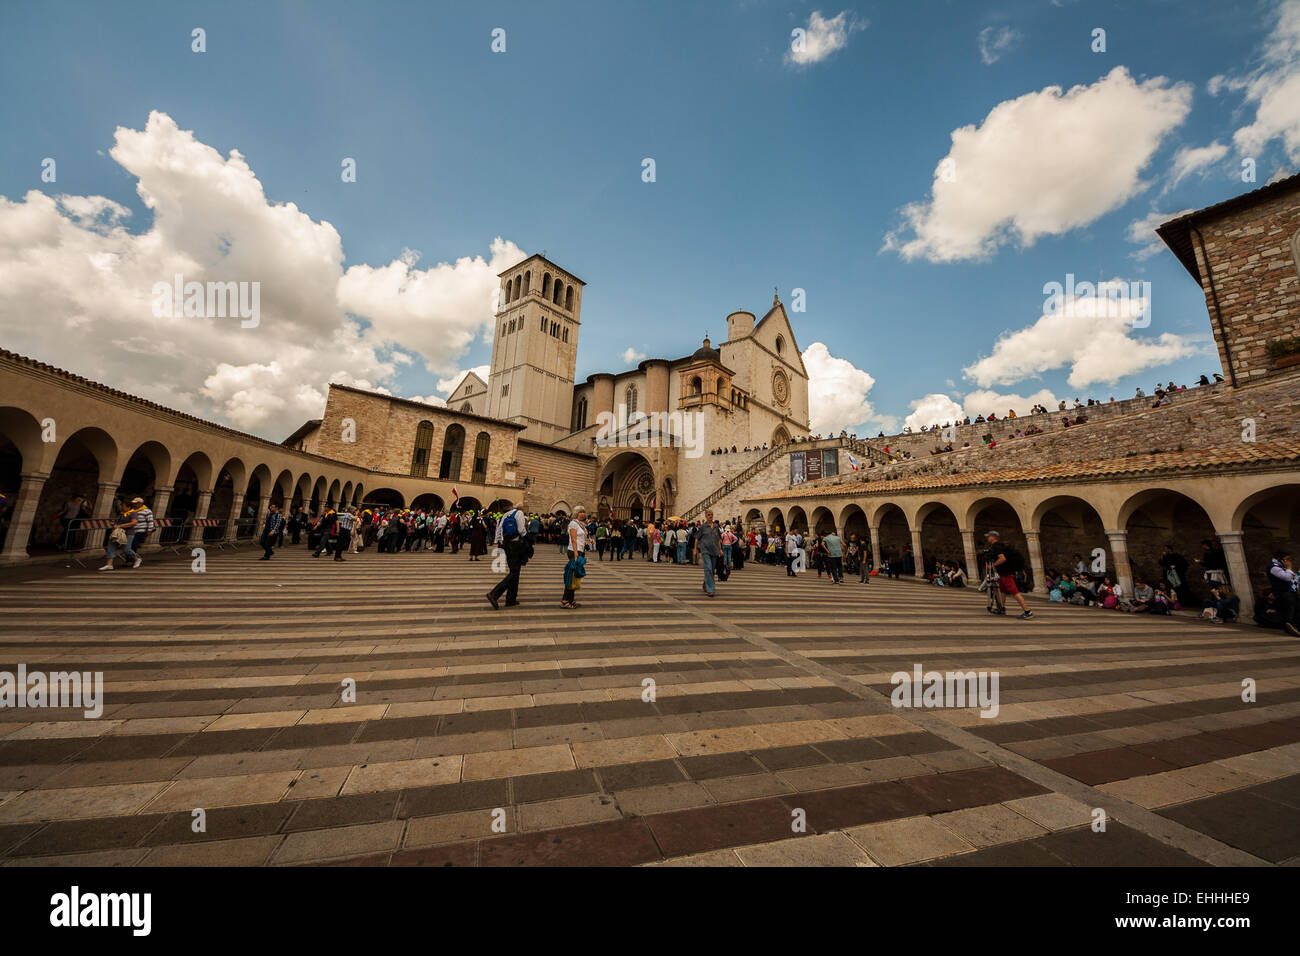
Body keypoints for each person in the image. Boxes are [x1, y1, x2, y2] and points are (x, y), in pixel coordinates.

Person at [486, 501, 529, 610]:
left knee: (515, 571)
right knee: (514, 573)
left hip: (506, 544)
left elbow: (499, 529)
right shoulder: (519, 514)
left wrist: (500, 542)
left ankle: (511, 599)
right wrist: (526, 537)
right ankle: (494, 594)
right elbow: (521, 530)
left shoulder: (506, 514)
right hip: (516, 545)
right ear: (520, 508)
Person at [983, 531, 1033, 619]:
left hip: (1006, 573)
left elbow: (1002, 559)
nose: (987, 538)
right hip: (1003, 573)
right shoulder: (1001, 546)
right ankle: (1001, 609)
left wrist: (992, 565)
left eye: (989, 536)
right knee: (1002, 591)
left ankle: (1027, 611)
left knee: (1014, 592)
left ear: (993, 537)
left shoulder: (996, 546)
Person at [1267, 551, 1300, 637]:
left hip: (1289, 592)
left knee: (1296, 608)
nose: (1290, 561)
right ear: (1281, 559)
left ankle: (1292, 626)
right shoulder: (1273, 567)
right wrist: (1289, 568)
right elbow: (1287, 577)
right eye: (1288, 559)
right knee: (1290, 609)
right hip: (1283, 592)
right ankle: (1290, 625)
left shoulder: (1281, 567)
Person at [562, 506, 589, 609]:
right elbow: (573, 539)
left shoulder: (581, 524)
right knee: (571, 576)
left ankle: (570, 599)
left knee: (575, 576)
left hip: (579, 551)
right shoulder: (573, 523)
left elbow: (581, 538)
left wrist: (589, 540)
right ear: (576, 513)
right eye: (580, 512)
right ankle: (565, 600)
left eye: (584, 512)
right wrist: (576, 553)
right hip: (574, 551)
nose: (583, 513)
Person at [694, 510, 722, 597]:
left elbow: (718, 539)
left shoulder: (716, 526)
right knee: (708, 568)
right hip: (705, 550)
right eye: (709, 515)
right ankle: (711, 590)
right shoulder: (703, 527)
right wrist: (695, 549)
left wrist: (720, 550)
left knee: (711, 570)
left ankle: (705, 584)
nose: (710, 516)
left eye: (711, 515)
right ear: (706, 516)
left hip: (714, 551)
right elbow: (697, 539)